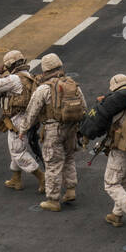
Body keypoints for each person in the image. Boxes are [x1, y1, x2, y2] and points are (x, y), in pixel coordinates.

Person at [81, 73, 126, 234]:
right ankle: (117, 214)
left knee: (111, 184)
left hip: (120, 149)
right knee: (123, 180)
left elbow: (98, 125)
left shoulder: (114, 106)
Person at [25, 54, 85, 212]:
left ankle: (53, 199)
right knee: (69, 157)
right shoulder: (73, 84)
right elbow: (84, 107)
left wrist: (23, 129)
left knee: (53, 164)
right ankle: (70, 190)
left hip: (52, 130)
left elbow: (32, 111)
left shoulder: (44, 88)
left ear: (45, 69)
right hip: (71, 128)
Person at [0, 48, 43, 191]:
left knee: (17, 151)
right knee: (15, 148)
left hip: (17, 119)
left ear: (10, 65)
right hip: (29, 118)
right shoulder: (30, 76)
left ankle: (42, 178)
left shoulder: (14, 79)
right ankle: (16, 179)